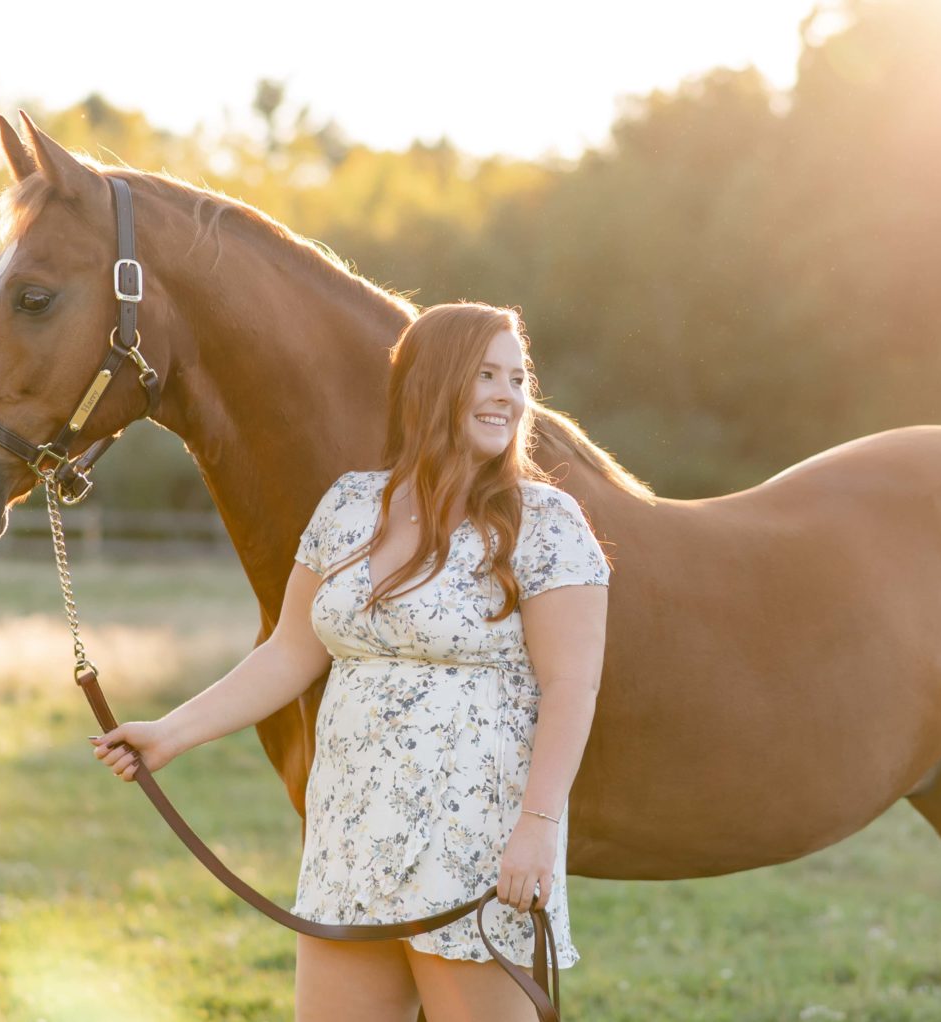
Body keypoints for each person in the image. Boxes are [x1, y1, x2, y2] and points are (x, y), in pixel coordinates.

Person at [90, 302, 611, 1022]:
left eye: (518, 378)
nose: (508, 394)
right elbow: (289, 652)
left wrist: (540, 827)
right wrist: (172, 732)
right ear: (428, 386)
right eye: (485, 374)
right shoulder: (349, 507)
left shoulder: (548, 524)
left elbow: (571, 685)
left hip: (473, 844)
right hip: (350, 836)